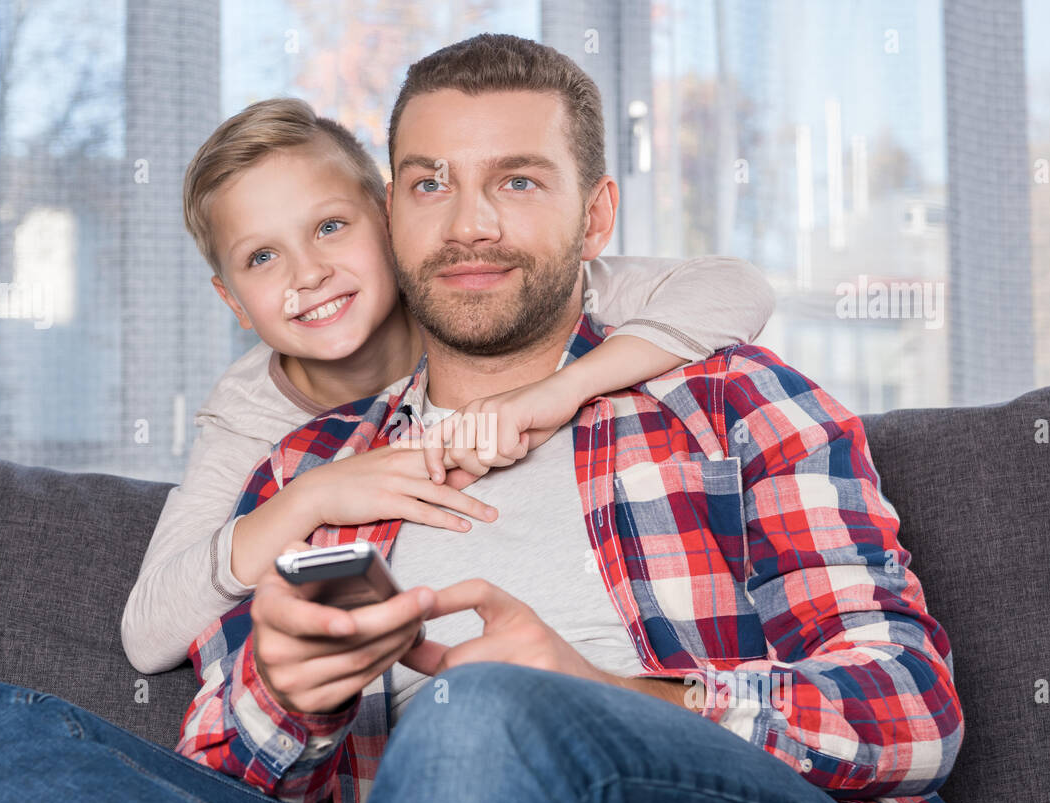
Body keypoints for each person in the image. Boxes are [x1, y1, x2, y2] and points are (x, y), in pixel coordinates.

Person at [0, 33, 1012, 803]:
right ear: (394, 217)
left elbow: (910, 715)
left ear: (595, 217)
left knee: (480, 714)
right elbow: (221, 789)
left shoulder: (731, 397)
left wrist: (605, 693)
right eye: (428, 184)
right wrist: (287, 698)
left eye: (516, 180)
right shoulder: (310, 468)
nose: (468, 224)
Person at [119, 95, 774, 675]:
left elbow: (737, 290)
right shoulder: (251, 414)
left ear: (388, 216)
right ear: (232, 301)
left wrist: (559, 390)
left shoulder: (473, 293)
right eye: (261, 257)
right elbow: (149, 634)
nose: (309, 272)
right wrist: (310, 498)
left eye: (329, 227)